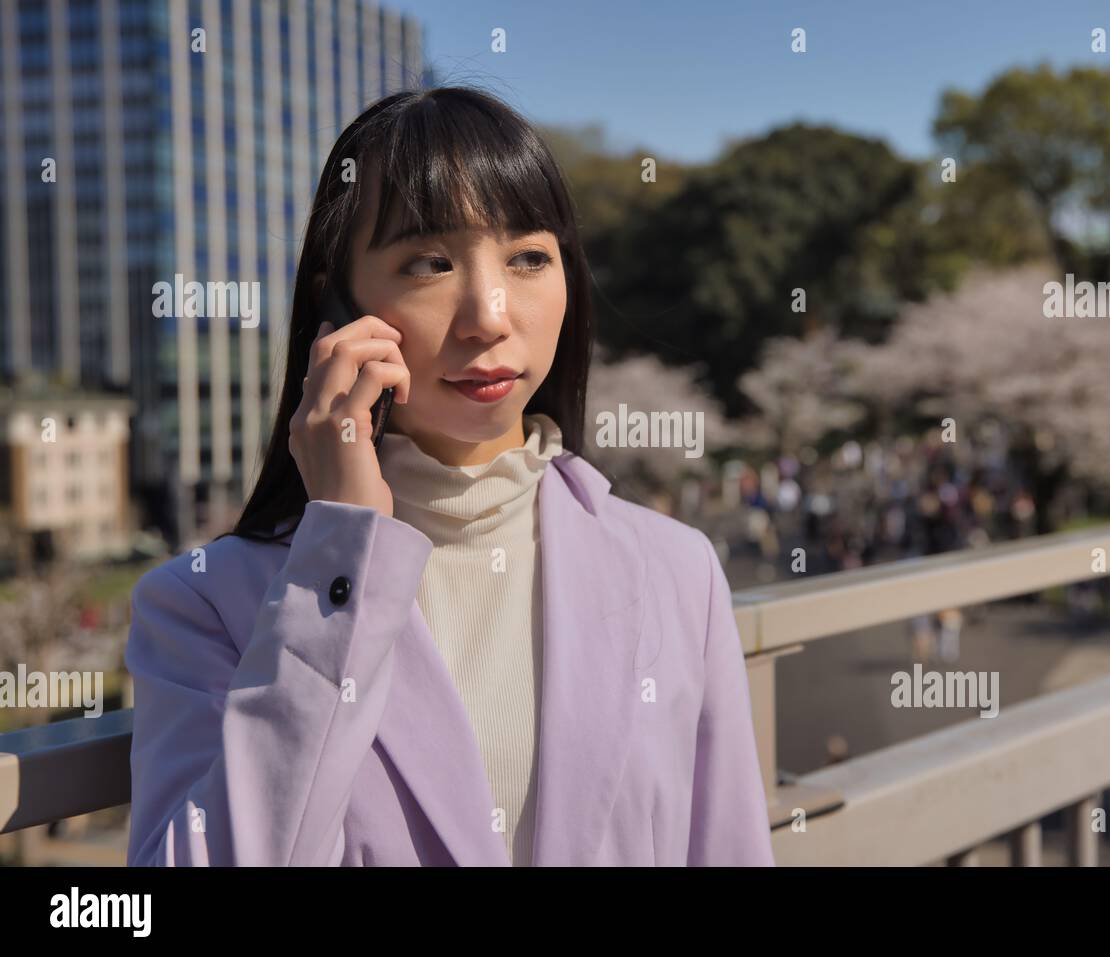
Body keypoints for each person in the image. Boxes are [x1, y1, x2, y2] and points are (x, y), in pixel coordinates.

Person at [125, 87, 773, 867]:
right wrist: (342, 553)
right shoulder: (203, 603)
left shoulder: (678, 571)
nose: (490, 315)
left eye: (529, 256)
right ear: (341, 299)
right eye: (429, 262)